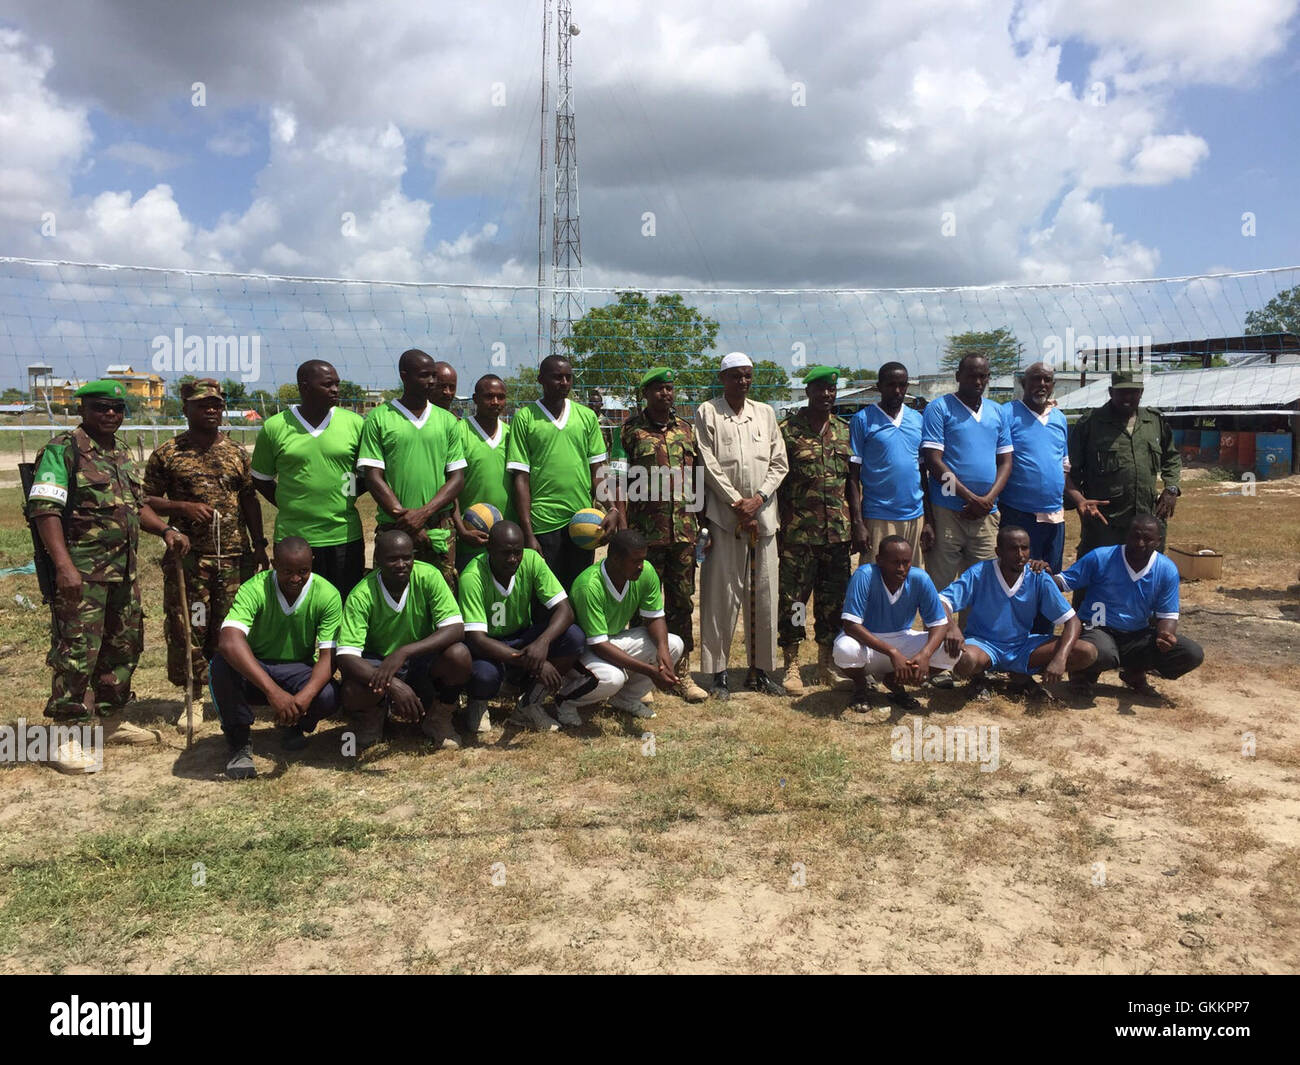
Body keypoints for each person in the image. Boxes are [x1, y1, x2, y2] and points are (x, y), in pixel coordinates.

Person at [27, 379, 191, 772]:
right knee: (77, 651)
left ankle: (111, 719)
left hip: (123, 574)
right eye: (102, 407)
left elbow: (135, 506)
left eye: (117, 409)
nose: (111, 415)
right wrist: (64, 566)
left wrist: (166, 530)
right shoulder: (62, 449)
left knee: (124, 646)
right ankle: (68, 733)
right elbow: (45, 510)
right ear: (83, 408)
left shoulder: (119, 453)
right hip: (82, 576)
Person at [144, 378, 269, 705]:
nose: (212, 410)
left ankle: (228, 691)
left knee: (230, 626)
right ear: (186, 408)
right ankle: (194, 696)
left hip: (233, 557)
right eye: (203, 404)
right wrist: (180, 507)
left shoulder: (235, 452)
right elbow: (144, 501)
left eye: (216, 404)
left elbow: (249, 500)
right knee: (191, 625)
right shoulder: (168, 454)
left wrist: (259, 544)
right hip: (191, 558)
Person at [694, 351, 790, 698]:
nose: (743, 382)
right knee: (720, 596)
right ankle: (717, 673)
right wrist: (737, 503)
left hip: (762, 521)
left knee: (765, 595)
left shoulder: (764, 413)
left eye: (748, 375)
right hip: (725, 519)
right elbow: (707, 461)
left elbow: (779, 463)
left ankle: (760, 670)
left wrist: (758, 500)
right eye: (735, 375)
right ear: (723, 378)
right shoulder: (708, 412)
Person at [211, 537, 342, 780]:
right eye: (287, 571)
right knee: (222, 664)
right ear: (273, 564)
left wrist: (303, 698)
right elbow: (229, 640)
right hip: (256, 667)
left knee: (329, 695)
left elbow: (328, 657)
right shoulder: (255, 588)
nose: (295, 579)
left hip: (296, 668)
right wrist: (273, 692)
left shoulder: (327, 594)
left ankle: (294, 725)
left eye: (303, 571)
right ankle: (239, 743)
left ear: (312, 563)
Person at [616, 366, 709, 703]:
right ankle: (643, 676)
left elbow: (696, 478)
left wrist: (703, 523)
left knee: (682, 603)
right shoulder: (629, 431)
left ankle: (682, 673)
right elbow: (615, 482)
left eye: (669, 389)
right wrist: (623, 529)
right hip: (644, 538)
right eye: (657, 389)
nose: (665, 395)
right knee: (642, 605)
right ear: (645, 394)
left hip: (683, 534)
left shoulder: (687, 430)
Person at [337, 528, 470, 750]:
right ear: (378, 560)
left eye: (406, 557)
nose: (401, 564)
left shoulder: (428, 576)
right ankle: (373, 715)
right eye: (392, 559)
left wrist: (404, 651)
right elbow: (346, 657)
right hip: (381, 665)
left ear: (414, 556)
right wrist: (392, 685)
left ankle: (438, 717)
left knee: (460, 655)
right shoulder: (362, 594)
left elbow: (456, 628)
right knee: (351, 691)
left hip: (420, 661)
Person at [938, 525, 1096, 701]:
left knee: (1086, 652)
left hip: (1021, 647)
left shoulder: (1038, 576)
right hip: (983, 644)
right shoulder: (980, 573)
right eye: (1013, 549)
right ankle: (979, 677)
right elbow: (943, 601)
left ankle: (1019, 675)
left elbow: (1072, 621)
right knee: (964, 660)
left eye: (1025, 548)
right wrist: (951, 627)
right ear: (999, 551)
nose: (1021, 555)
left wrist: (1060, 658)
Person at [1054, 514, 1203, 697]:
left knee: (1191, 653)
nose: (1140, 543)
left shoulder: (1166, 569)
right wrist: (1038, 574)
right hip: (1097, 628)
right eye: (1136, 536)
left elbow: (1168, 615)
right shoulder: (1101, 557)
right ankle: (1082, 675)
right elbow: (1063, 582)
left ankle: (1134, 672)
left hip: (1136, 635)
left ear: (1158, 541)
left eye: (1147, 539)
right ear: (1127, 535)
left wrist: (1166, 636)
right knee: (1102, 652)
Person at [251, 360, 366, 597]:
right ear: (304, 387)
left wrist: (346, 495)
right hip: (294, 539)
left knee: (344, 604)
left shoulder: (355, 423)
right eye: (327, 384)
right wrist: (291, 502)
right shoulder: (275, 427)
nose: (335, 389)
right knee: (297, 609)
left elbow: (368, 474)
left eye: (337, 384)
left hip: (344, 535)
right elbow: (261, 478)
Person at [458, 522, 586, 733]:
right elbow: (477, 639)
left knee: (573, 637)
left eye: (517, 552)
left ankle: (528, 703)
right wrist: (531, 660)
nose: (513, 559)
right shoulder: (472, 577)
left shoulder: (532, 560)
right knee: (484, 676)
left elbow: (566, 611)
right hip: (488, 645)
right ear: (489, 549)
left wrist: (542, 643)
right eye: (505, 553)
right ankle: (478, 701)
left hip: (521, 636)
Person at [777, 365, 859, 694]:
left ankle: (826, 663)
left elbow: (853, 482)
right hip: (798, 535)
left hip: (837, 533)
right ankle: (792, 664)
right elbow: (778, 481)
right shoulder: (787, 431)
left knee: (832, 602)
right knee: (794, 602)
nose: (827, 395)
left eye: (831, 389)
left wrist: (857, 524)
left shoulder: (845, 430)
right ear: (808, 391)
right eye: (820, 389)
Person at [507, 354, 620, 590]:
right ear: (541, 379)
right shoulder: (525, 418)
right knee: (547, 597)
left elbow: (597, 470)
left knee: (579, 592)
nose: (564, 383)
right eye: (557, 377)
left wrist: (611, 508)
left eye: (568, 377)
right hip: (543, 522)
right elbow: (521, 477)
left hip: (582, 523)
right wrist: (528, 532)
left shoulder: (586, 417)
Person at [358, 349, 466, 589]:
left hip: (439, 527)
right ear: (404, 376)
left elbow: (457, 477)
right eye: (425, 375)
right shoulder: (378, 418)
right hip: (394, 527)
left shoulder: (447, 420)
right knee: (392, 597)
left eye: (433, 376)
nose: (432, 382)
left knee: (442, 596)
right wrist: (405, 518)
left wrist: (424, 513)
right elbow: (373, 477)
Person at [559, 529, 683, 726]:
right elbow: (598, 645)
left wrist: (663, 650)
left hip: (610, 640)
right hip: (581, 651)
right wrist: (651, 671)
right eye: (636, 561)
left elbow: (654, 618)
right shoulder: (589, 586)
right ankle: (564, 700)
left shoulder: (646, 572)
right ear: (615, 559)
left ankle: (626, 698)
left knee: (674, 643)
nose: (641, 566)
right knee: (613, 678)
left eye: (643, 559)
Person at [920, 352, 1014, 594]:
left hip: (986, 514)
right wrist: (970, 498)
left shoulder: (997, 411)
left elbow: (1005, 462)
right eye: (972, 376)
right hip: (948, 511)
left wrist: (987, 499)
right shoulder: (939, 408)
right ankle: (942, 631)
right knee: (942, 585)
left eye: (983, 377)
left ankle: (971, 633)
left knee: (982, 586)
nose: (978, 382)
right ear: (958, 376)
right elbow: (933, 461)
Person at [832, 536, 957, 711]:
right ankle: (861, 686)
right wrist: (892, 652)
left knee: (950, 649)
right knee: (845, 649)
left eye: (906, 562)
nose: (901, 569)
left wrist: (925, 655)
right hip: (867, 642)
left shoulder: (920, 578)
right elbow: (850, 625)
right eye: (895, 562)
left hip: (902, 638)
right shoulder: (865, 575)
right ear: (879, 560)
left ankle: (895, 680)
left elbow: (940, 623)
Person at [1066, 370, 1181, 556]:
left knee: (1144, 576)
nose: (1128, 397)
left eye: (1133, 392)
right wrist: (1080, 501)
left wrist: (1172, 488)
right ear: (1111, 392)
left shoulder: (1154, 421)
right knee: (1099, 576)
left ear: (1141, 392)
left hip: (1146, 518)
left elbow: (1172, 457)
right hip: (1104, 522)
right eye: (1122, 392)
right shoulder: (1091, 423)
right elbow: (1070, 471)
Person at [849, 361, 934, 564]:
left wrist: (929, 520)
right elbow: (852, 476)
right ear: (879, 387)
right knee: (876, 578)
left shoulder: (917, 419)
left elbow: (922, 472)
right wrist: (858, 522)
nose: (897, 391)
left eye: (902, 385)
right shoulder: (862, 420)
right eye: (891, 385)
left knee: (911, 578)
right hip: (878, 516)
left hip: (915, 515)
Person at [999, 363, 1070, 579]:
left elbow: (1064, 464)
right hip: (1019, 514)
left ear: (1053, 384)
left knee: (1049, 577)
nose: (1041, 384)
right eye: (1035, 379)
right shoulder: (1007, 414)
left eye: (1046, 380)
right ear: (1023, 383)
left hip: (1054, 515)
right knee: (1018, 577)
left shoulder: (1060, 418)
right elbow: (998, 460)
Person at [452, 374, 517, 574]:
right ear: (475, 399)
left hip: (507, 536)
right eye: (489, 396)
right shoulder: (459, 431)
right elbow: (449, 485)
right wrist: (461, 530)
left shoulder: (511, 434)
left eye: (501, 397)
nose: (495, 402)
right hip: (471, 532)